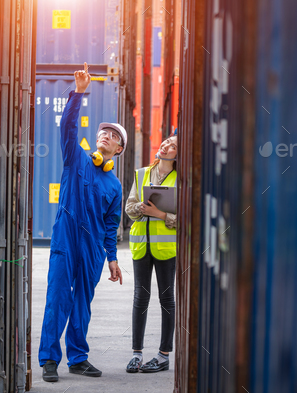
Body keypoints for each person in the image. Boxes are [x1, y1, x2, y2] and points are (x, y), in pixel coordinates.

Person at [39, 62, 125, 382]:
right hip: (66, 234)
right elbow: (68, 128)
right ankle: (49, 358)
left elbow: (110, 226)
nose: (106, 135)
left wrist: (112, 258)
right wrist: (79, 92)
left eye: (113, 135)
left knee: (82, 302)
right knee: (58, 295)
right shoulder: (77, 156)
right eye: (104, 131)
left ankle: (78, 357)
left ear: (118, 149)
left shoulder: (114, 186)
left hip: (92, 248)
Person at [124, 135, 178, 373]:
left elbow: (186, 217)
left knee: (166, 300)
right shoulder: (141, 173)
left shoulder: (181, 179)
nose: (166, 146)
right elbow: (129, 207)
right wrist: (141, 208)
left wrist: (160, 215)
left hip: (166, 249)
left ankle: (163, 355)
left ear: (178, 155)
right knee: (140, 299)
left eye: (173, 146)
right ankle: (137, 354)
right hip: (141, 246)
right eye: (166, 142)